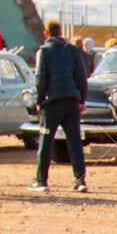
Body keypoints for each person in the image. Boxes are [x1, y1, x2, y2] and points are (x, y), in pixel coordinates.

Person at [30, 19, 89, 193]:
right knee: (75, 141)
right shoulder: (73, 50)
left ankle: (42, 180)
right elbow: (81, 76)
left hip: (51, 103)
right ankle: (80, 180)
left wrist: (39, 100)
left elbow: (40, 78)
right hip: (71, 101)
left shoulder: (44, 51)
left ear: (46, 33)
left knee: (46, 141)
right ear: (61, 32)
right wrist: (82, 99)